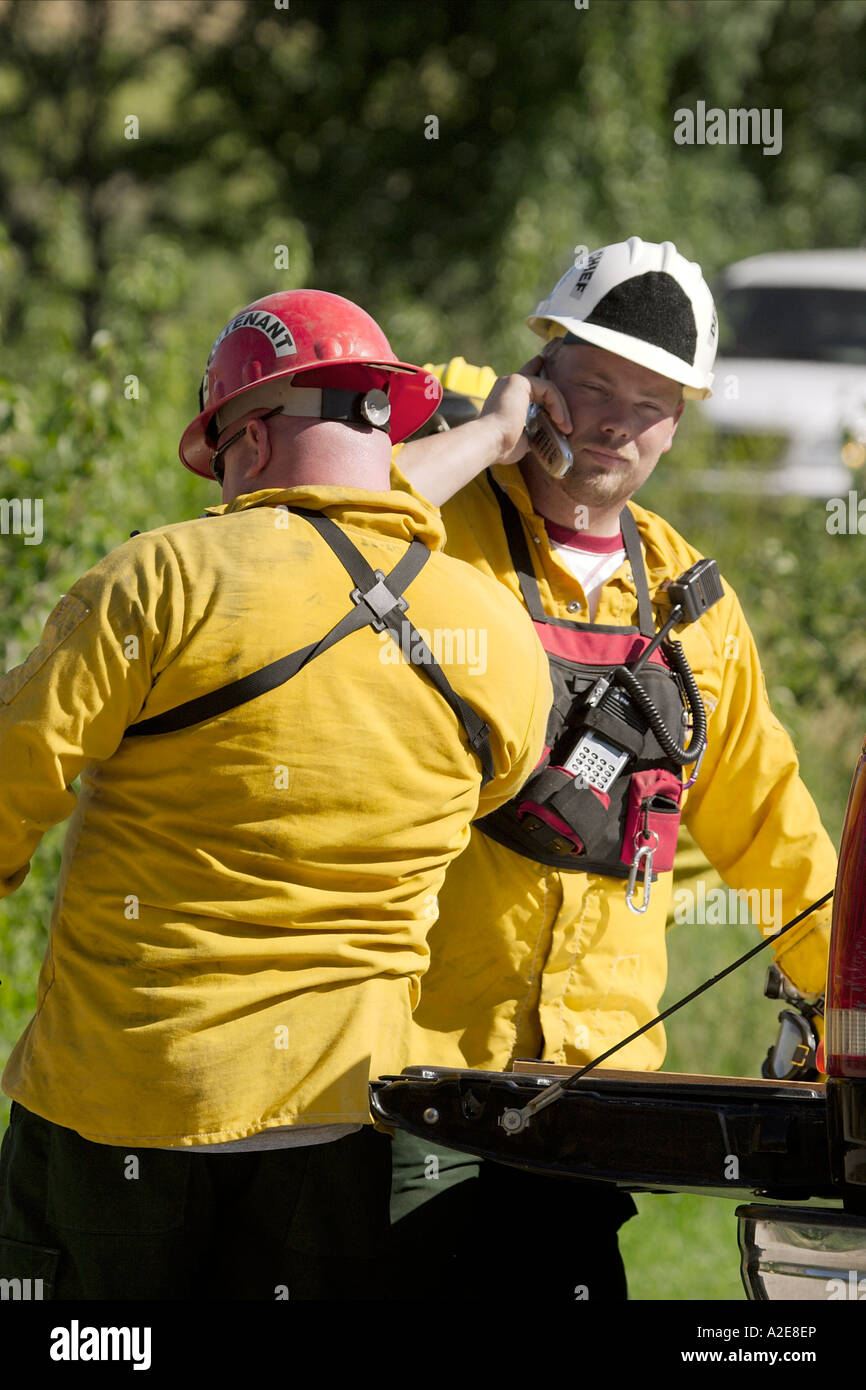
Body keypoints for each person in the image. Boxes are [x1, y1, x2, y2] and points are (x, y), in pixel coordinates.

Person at [0, 289, 551, 1301]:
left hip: (120, 1104)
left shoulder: (157, 581)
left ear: (245, 443)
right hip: (344, 1119)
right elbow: (495, 788)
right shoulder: (493, 634)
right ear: (383, 424)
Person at [389, 237, 837, 1301]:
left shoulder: (691, 603)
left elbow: (768, 827)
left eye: (645, 404)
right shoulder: (423, 529)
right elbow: (289, 540)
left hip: (587, 1099)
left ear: (678, 422)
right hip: (406, 1073)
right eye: (587, 386)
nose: (608, 425)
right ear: (534, 377)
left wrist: (846, 996)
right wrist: (470, 421)